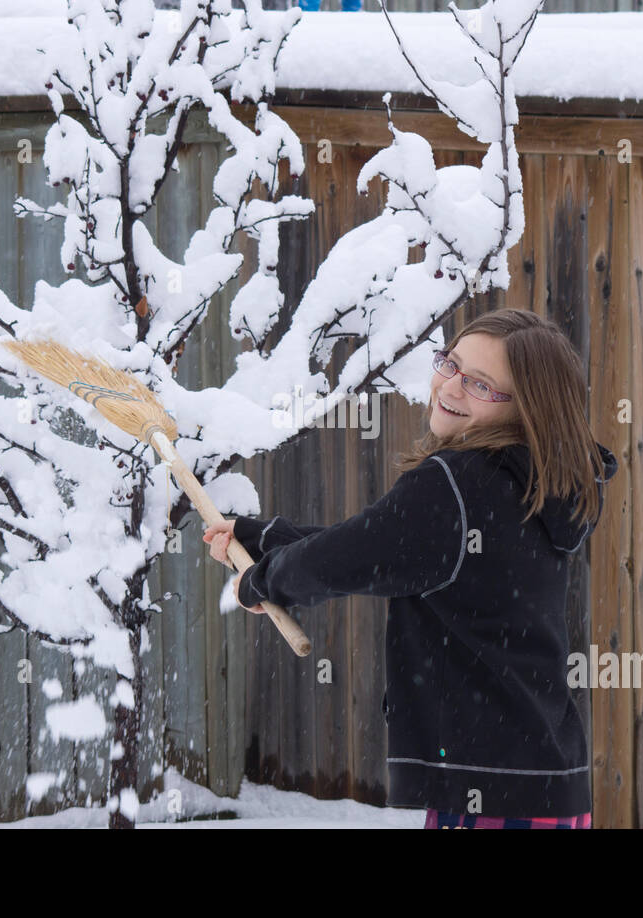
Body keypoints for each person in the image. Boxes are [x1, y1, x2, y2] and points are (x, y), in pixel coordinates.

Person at [203, 307, 617, 828]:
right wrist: (260, 539)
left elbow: (349, 558)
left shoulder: (459, 483)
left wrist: (262, 582)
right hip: (544, 785)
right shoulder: (525, 483)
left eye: (482, 386)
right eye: (451, 364)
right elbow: (377, 548)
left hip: (485, 791)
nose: (452, 387)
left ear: (524, 410)